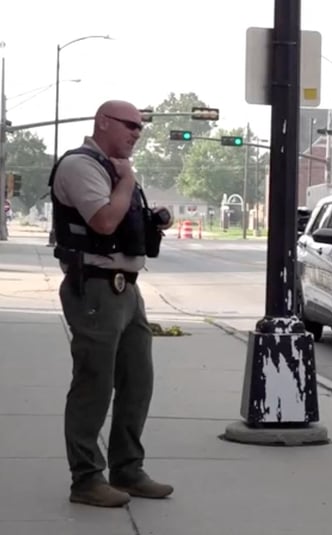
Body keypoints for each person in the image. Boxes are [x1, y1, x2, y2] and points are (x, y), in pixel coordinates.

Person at [50, 100, 175, 508]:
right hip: (95, 288)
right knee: (94, 383)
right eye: (130, 125)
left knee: (138, 380)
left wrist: (152, 218)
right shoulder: (81, 165)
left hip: (126, 289)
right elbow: (103, 222)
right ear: (103, 122)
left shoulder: (115, 169)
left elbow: (122, 222)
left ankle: (128, 470)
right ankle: (86, 479)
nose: (137, 133)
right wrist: (127, 181)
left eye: (140, 127)